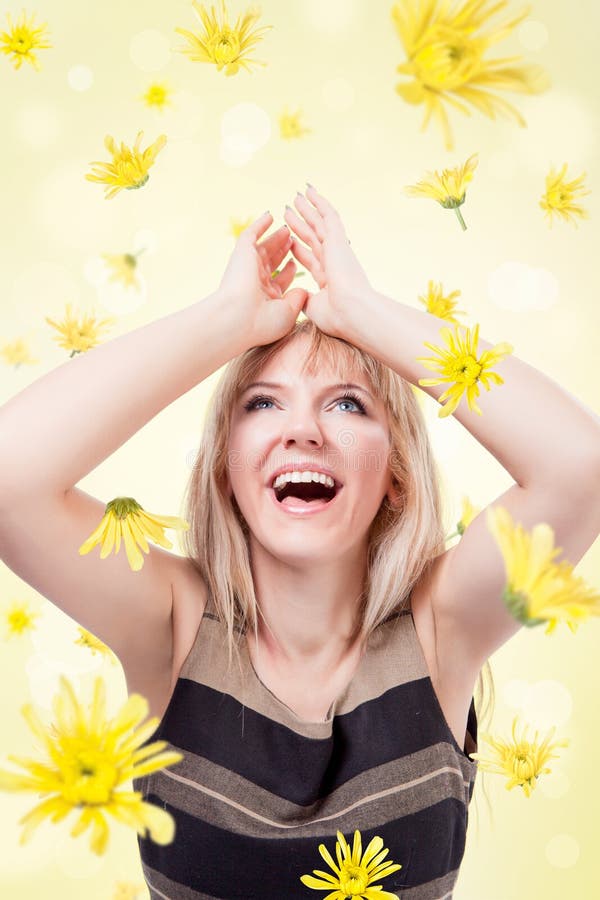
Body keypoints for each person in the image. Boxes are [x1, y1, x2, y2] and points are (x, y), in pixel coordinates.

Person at [0, 187, 598, 899]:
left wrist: (363, 314)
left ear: (396, 477)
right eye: (262, 403)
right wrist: (223, 324)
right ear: (226, 471)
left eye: (347, 403)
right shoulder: (172, 625)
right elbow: (10, 481)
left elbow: (578, 466)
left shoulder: (443, 626)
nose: (302, 429)